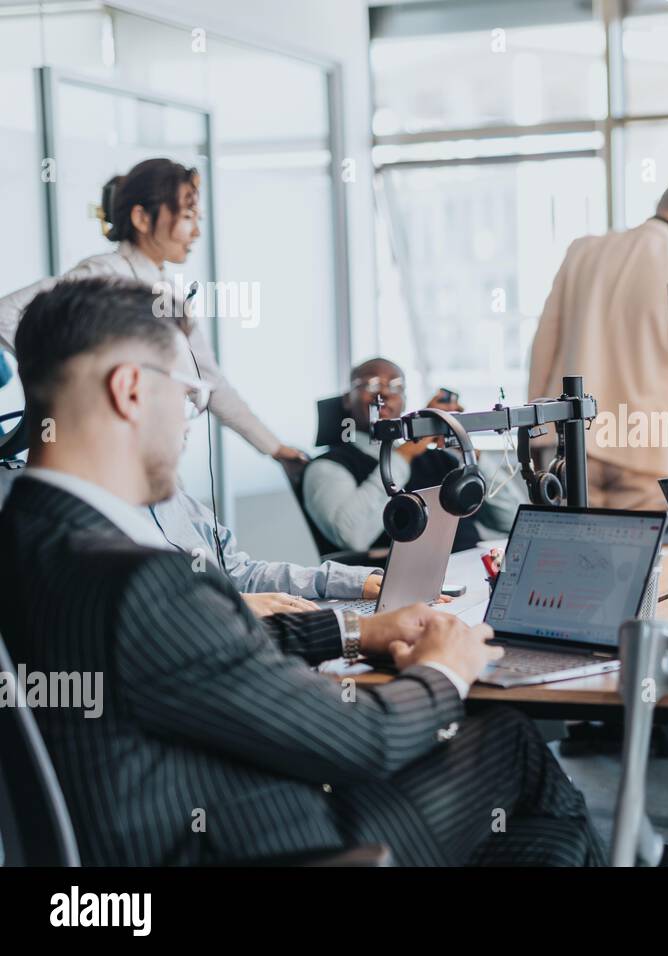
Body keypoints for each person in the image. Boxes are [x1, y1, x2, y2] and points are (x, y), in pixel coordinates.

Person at [0, 276, 606, 866]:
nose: (191, 421)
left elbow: (179, 657)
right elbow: (366, 742)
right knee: (509, 740)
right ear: (130, 389)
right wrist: (448, 666)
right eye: (189, 395)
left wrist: (348, 631)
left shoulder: (30, 539)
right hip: (263, 839)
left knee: (546, 842)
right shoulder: (140, 581)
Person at [0, 158, 303, 463]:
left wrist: (274, 448)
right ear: (142, 219)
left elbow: (211, 381)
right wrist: (72, 382)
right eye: (187, 216)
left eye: (198, 217)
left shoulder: (168, 294)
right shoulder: (105, 274)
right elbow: (5, 316)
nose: (196, 231)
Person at [527, 181, 668, 509]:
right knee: (642, 559)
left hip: (572, 442)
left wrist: (535, 424)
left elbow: (545, 342)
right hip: (648, 448)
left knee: (569, 555)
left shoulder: (582, 252)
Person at [303, 357, 480, 554]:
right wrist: (403, 455)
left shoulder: (440, 459)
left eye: (395, 386)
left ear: (404, 401)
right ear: (347, 399)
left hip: (475, 570)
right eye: (371, 384)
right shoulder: (327, 467)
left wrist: (470, 452)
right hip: (407, 579)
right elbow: (352, 536)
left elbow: (508, 520)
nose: (384, 392)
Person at [147, 486, 384, 616]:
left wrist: (348, 581)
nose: (188, 426)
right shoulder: (114, 525)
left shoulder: (179, 502)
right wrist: (232, 604)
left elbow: (241, 575)